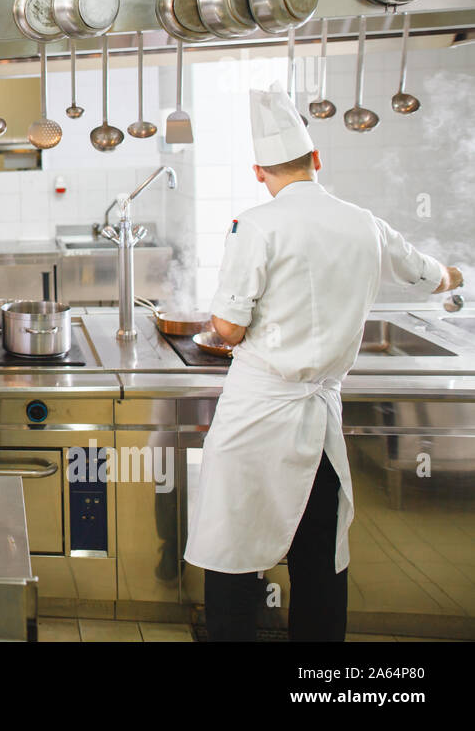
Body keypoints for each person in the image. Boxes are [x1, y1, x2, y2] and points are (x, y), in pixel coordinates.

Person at [185, 87, 463, 641]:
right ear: (317, 160)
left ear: (260, 171)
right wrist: (458, 276)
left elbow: (229, 328)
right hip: (318, 418)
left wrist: (231, 322)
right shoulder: (366, 223)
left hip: (258, 415)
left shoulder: (255, 225)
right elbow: (431, 275)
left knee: (236, 548)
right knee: (317, 560)